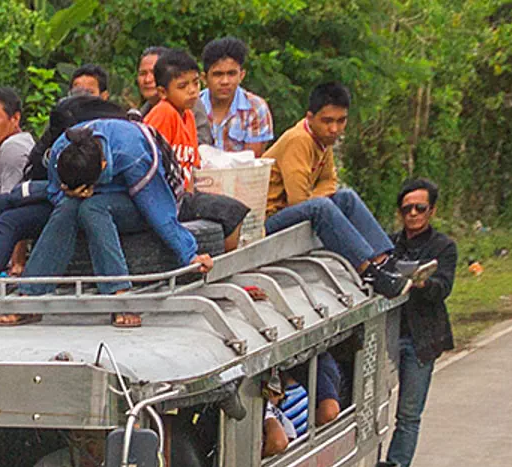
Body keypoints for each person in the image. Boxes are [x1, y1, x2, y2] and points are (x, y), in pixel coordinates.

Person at [0, 118, 214, 327]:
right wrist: (70, 194)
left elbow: (159, 210)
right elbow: (55, 192)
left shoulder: (133, 155)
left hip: (141, 198)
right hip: (88, 196)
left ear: (102, 166)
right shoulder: (61, 151)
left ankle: (119, 294)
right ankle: (31, 294)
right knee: (68, 206)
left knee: (93, 207)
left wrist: (189, 254)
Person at [0, 81, 129, 283]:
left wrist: (18, 262)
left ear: (15, 118)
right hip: (60, 194)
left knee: (10, 218)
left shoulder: (15, 147)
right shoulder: (56, 144)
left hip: (75, 200)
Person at [263, 83, 410, 298]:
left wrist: (319, 199)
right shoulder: (299, 140)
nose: (334, 129)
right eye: (327, 121)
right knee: (321, 206)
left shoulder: (323, 140)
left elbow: (330, 182)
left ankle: (386, 262)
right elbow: (298, 200)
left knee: (346, 197)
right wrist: (319, 201)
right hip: (269, 220)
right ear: (310, 118)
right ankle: (368, 272)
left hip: (295, 208)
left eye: (341, 121)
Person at [386, 178, 457, 467]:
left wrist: (421, 282)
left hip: (421, 339)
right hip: (387, 334)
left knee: (409, 413)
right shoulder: (388, 243)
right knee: (369, 409)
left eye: (420, 208)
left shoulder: (443, 247)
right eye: (407, 209)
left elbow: (443, 288)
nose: (413, 214)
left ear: (431, 210)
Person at [142, 48, 250, 253]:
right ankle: (223, 270)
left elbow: (190, 168)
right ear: (163, 92)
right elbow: (148, 162)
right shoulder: (164, 113)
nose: (192, 91)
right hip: (163, 198)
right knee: (232, 212)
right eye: (183, 86)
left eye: (195, 83)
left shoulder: (189, 115)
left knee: (229, 211)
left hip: (182, 195)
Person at [198, 37, 274, 155]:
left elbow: (251, 161)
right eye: (218, 74)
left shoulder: (256, 108)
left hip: (241, 173)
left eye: (231, 74)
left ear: (241, 75)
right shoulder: (191, 108)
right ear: (204, 78)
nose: (225, 81)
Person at [136, 46, 213, 141]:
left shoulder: (189, 111)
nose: (147, 80)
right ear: (162, 91)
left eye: (196, 83)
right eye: (143, 73)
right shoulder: (161, 112)